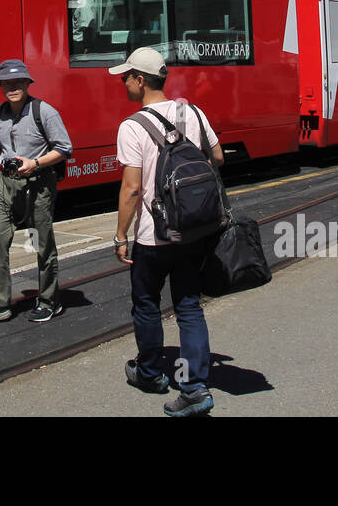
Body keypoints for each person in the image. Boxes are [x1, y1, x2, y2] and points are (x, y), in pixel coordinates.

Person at [110, 46, 223, 417]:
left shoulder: (132, 126)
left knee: (146, 303)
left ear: (140, 81)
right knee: (189, 306)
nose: (123, 82)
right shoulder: (191, 111)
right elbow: (217, 158)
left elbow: (131, 189)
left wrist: (120, 235)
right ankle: (194, 389)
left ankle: (150, 373)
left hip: (152, 236)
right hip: (193, 230)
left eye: (126, 76)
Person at [0, 58, 72, 324]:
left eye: (18, 82)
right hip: (5, 184)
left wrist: (35, 163)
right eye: (7, 83)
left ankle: (50, 299)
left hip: (37, 186)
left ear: (27, 83)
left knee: (40, 242)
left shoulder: (44, 112)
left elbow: (64, 148)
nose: (12, 87)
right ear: (0, 85)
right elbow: (1, 149)